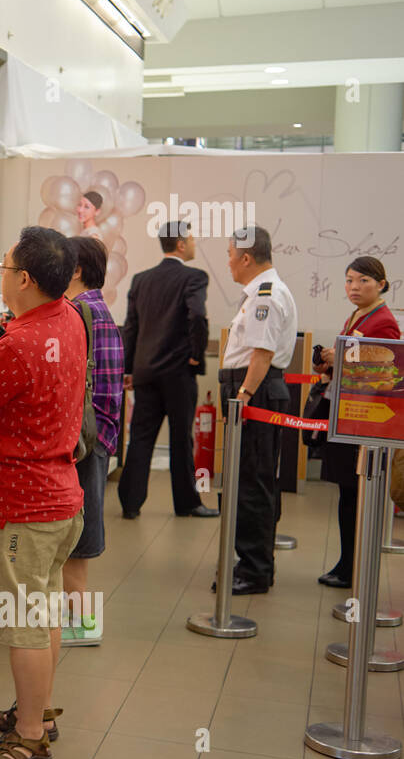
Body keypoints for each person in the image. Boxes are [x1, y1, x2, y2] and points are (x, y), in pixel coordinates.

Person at [0, 226, 86, 759]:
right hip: (60, 501)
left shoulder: (17, 343)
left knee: (25, 623)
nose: (1, 274)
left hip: (20, 511)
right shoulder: (69, 319)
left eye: (6, 266)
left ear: (25, 278)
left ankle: (30, 738)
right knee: (46, 610)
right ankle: (38, 713)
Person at [217, 226, 297, 595]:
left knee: (253, 481)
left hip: (256, 392)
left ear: (246, 258)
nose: (229, 261)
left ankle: (255, 569)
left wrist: (244, 395)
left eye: (231, 253)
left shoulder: (265, 295)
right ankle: (250, 560)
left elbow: (261, 354)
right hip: (254, 389)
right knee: (249, 478)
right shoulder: (260, 292)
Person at [118, 221, 217, 519]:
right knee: (180, 438)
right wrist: (196, 356)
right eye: (193, 238)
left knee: (140, 438)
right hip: (178, 373)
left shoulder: (141, 280)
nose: (195, 243)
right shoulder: (194, 277)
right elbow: (197, 316)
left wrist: (128, 368)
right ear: (182, 245)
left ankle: (130, 504)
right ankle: (187, 503)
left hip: (145, 371)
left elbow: (131, 327)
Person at [314, 256, 399, 588]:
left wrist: (343, 359)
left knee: (355, 494)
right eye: (349, 280)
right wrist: (329, 364)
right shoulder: (356, 315)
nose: (354, 287)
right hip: (345, 414)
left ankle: (353, 566)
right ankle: (345, 562)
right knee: (345, 493)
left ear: (380, 283)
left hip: (366, 421)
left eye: (363, 280)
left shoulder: (384, 321)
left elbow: (387, 371)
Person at [61, 236, 124, 646]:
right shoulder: (94, 311)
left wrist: (87, 444)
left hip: (83, 443)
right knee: (76, 545)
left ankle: (83, 626)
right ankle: (79, 623)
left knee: (77, 547)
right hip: (91, 441)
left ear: (78, 269)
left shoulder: (86, 313)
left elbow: (97, 394)